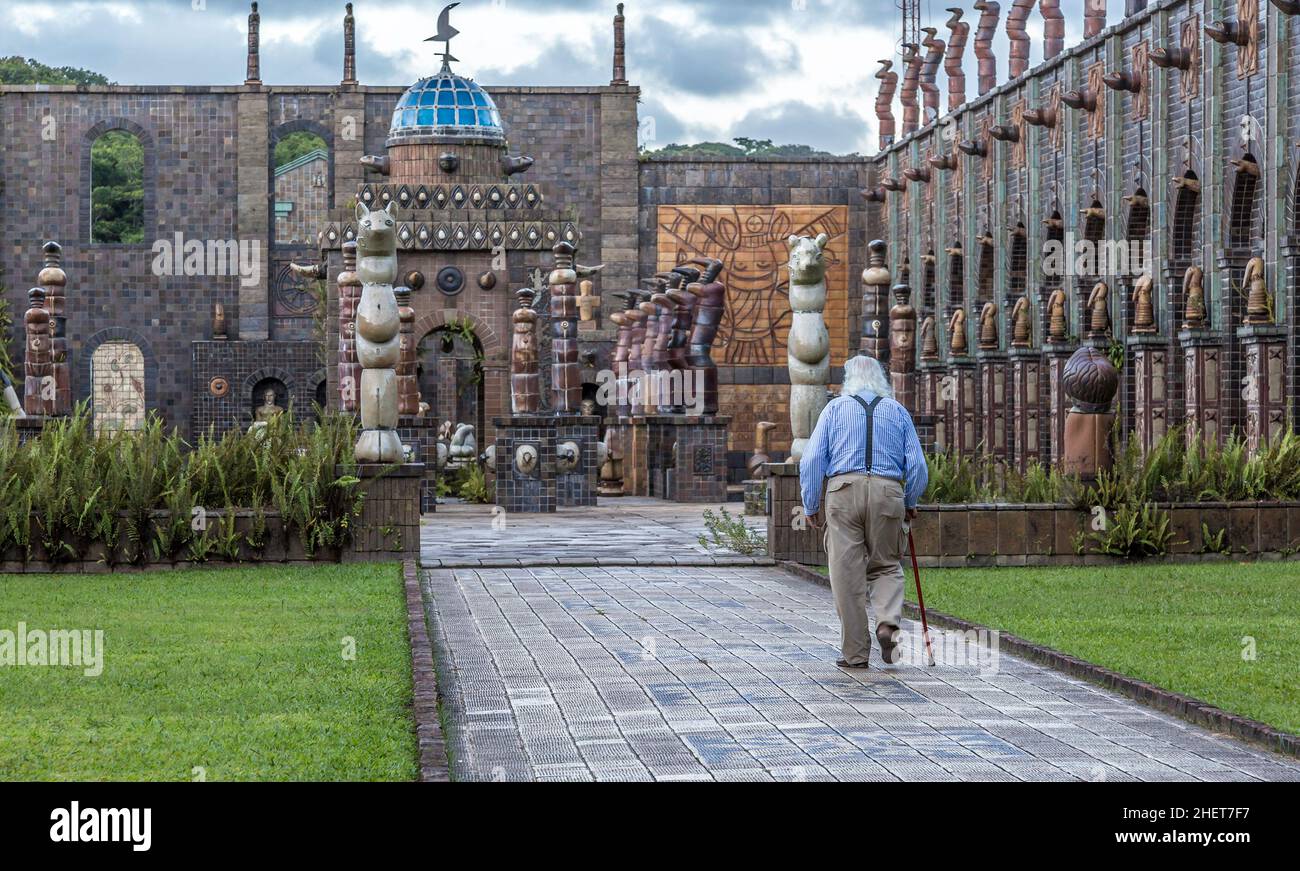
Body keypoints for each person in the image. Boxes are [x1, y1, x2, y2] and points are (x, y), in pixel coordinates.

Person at [799, 355, 928, 669]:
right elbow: (919, 466)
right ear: (880, 380)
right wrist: (910, 502)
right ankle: (887, 623)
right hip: (887, 492)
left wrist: (810, 504)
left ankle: (855, 655)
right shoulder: (897, 411)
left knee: (846, 576)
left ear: (848, 380)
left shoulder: (834, 409)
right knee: (886, 565)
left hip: (843, 494)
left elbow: (812, 460)